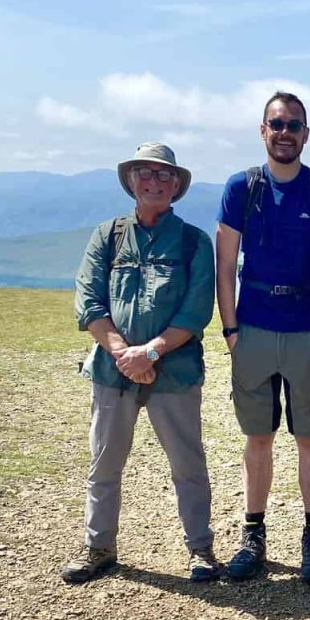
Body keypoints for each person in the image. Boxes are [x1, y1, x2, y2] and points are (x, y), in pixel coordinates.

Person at [62, 142, 218, 584]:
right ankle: (99, 547)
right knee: (105, 462)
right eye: (145, 173)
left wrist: (149, 352)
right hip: (113, 371)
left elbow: (195, 310)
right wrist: (124, 354)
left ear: (176, 187)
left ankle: (201, 550)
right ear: (131, 181)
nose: (154, 182)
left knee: (188, 463)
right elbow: (88, 302)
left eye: (164, 176)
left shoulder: (193, 242)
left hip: (175, 370)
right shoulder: (107, 236)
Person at [214, 92, 310, 584]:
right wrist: (231, 330)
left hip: (306, 331)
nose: (285, 132)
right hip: (251, 327)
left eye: (294, 124)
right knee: (258, 437)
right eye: (277, 123)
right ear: (263, 130)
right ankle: (254, 536)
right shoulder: (241, 187)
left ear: (306, 134)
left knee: (309, 437)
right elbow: (224, 263)